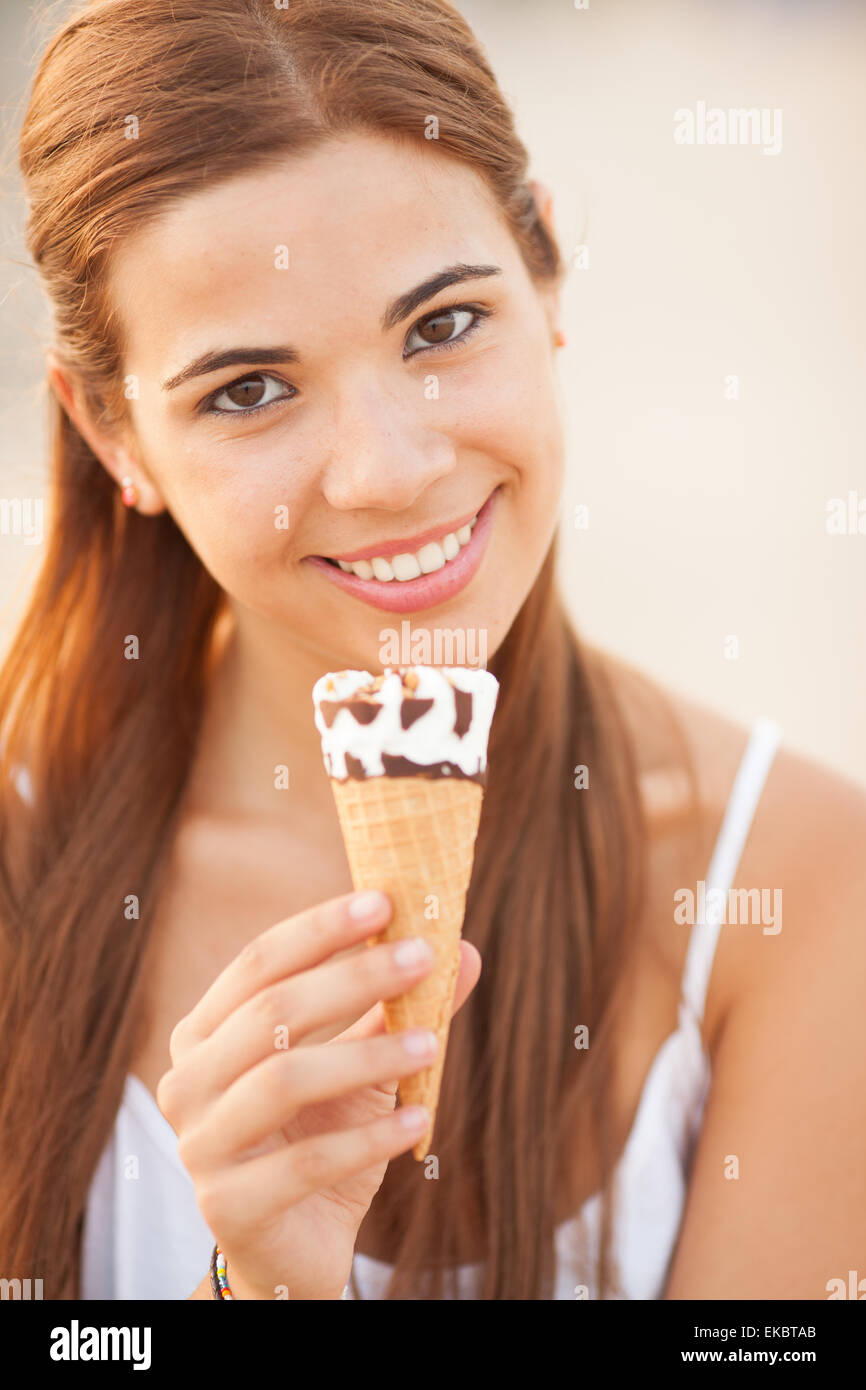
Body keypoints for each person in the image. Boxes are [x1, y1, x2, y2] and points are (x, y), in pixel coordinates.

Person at [1, 0, 864, 1302]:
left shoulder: (799, 884)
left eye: (443, 325)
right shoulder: (25, 870)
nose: (391, 471)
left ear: (547, 268)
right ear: (115, 434)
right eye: (248, 389)